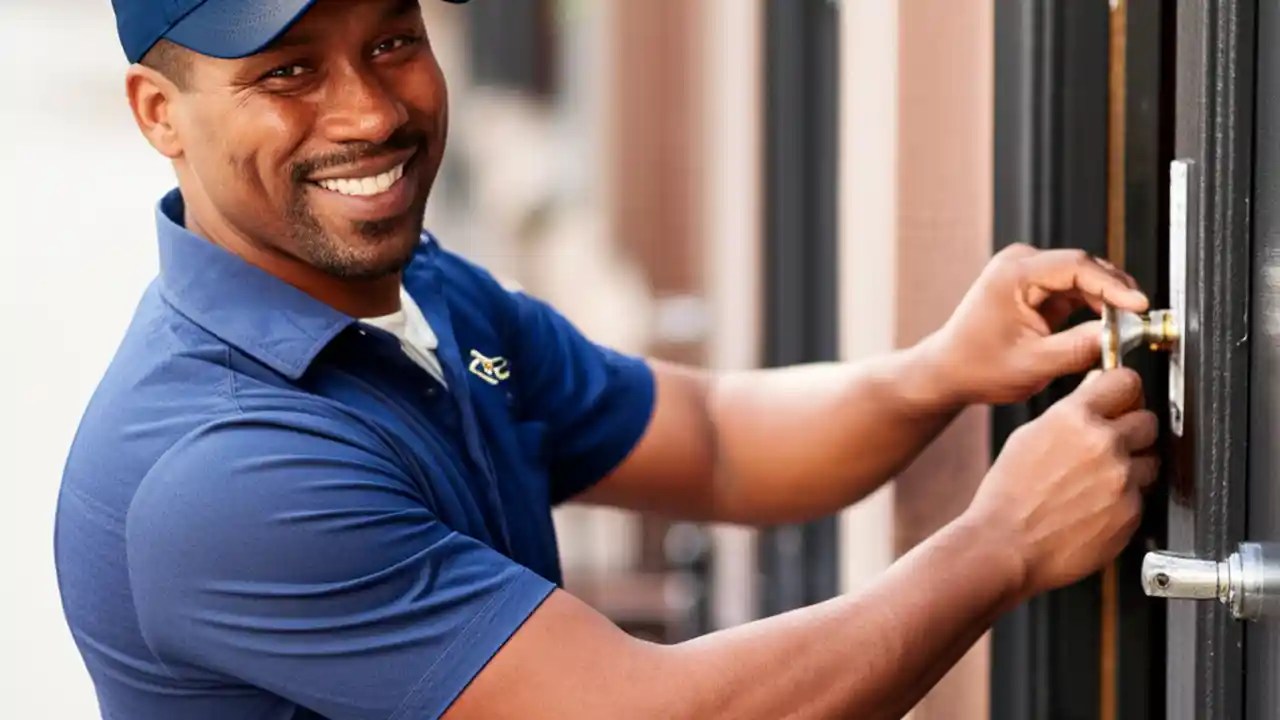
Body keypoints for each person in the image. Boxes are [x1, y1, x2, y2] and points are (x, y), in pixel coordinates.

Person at [55, 1, 1159, 718]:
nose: (372, 110)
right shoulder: (220, 478)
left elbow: (717, 443)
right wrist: (1001, 542)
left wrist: (939, 370)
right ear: (161, 113)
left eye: (391, 39)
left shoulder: (424, 295)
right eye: (287, 72)